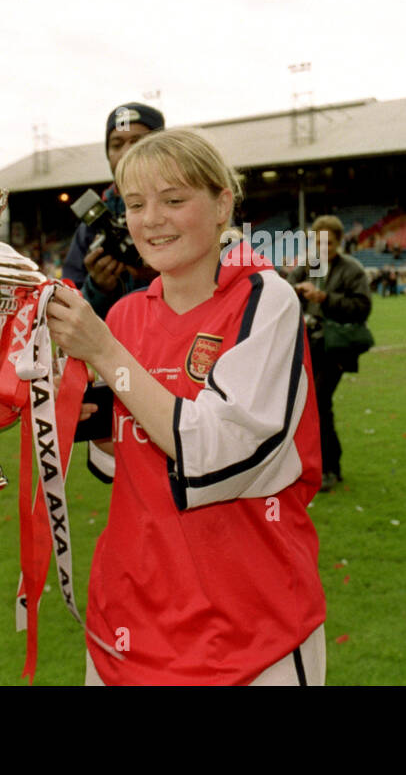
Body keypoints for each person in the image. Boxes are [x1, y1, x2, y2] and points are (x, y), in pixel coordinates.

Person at [45, 128, 326, 685]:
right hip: (128, 619)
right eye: (135, 204)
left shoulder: (265, 300)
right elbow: (123, 458)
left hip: (250, 629)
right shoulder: (124, 315)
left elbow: (220, 448)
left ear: (223, 204)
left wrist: (103, 351)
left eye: (174, 200)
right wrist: (84, 418)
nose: (152, 219)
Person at [287, 215, 372, 491]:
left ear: (340, 241)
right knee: (308, 405)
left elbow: (362, 308)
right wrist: (297, 290)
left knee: (320, 403)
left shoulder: (352, 269)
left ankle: (330, 468)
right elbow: (285, 290)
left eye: (330, 243)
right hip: (308, 343)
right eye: (318, 242)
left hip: (336, 346)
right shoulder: (309, 265)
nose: (324, 248)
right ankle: (315, 465)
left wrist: (324, 299)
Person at [61, 102, 163, 318]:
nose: (127, 152)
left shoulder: (188, 205)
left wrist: (165, 272)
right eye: (117, 144)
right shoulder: (93, 223)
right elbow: (67, 309)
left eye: (138, 141)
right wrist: (98, 287)